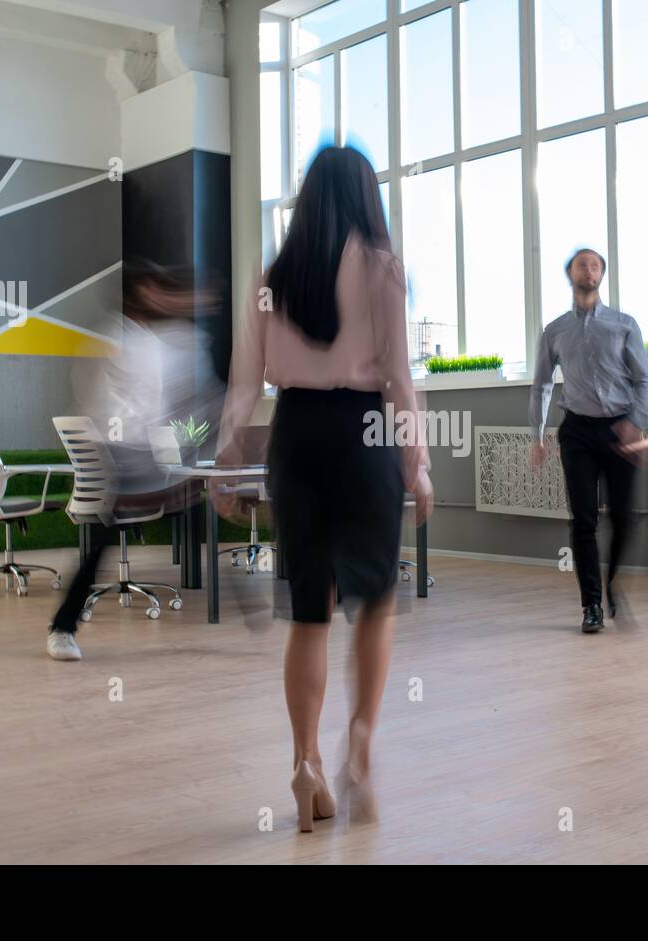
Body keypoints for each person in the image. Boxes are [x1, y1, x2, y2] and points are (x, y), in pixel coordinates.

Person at [216, 146, 433, 832]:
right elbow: (398, 379)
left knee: (309, 608)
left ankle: (305, 761)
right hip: (364, 432)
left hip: (297, 435)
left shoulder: (271, 278)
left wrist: (226, 460)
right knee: (376, 601)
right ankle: (360, 748)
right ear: (366, 197)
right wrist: (417, 463)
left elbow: (245, 381)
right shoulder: (381, 268)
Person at [46, 262, 221, 661]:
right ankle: (62, 627)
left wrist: (192, 436)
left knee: (201, 477)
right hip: (121, 457)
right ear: (140, 293)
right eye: (158, 290)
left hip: (151, 458)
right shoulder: (113, 340)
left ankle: (200, 485)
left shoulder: (170, 341)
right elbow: (98, 407)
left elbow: (186, 403)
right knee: (102, 543)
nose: (167, 298)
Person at [528, 248, 648, 634]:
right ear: (569, 273)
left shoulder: (624, 325)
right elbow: (541, 386)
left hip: (621, 431)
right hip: (578, 433)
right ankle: (591, 606)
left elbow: (644, 380)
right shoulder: (554, 331)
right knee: (583, 521)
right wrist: (537, 435)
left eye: (595, 264)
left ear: (602, 274)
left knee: (624, 518)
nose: (589, 269)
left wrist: (639, 423)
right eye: (581, 263)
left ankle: (614, 587)